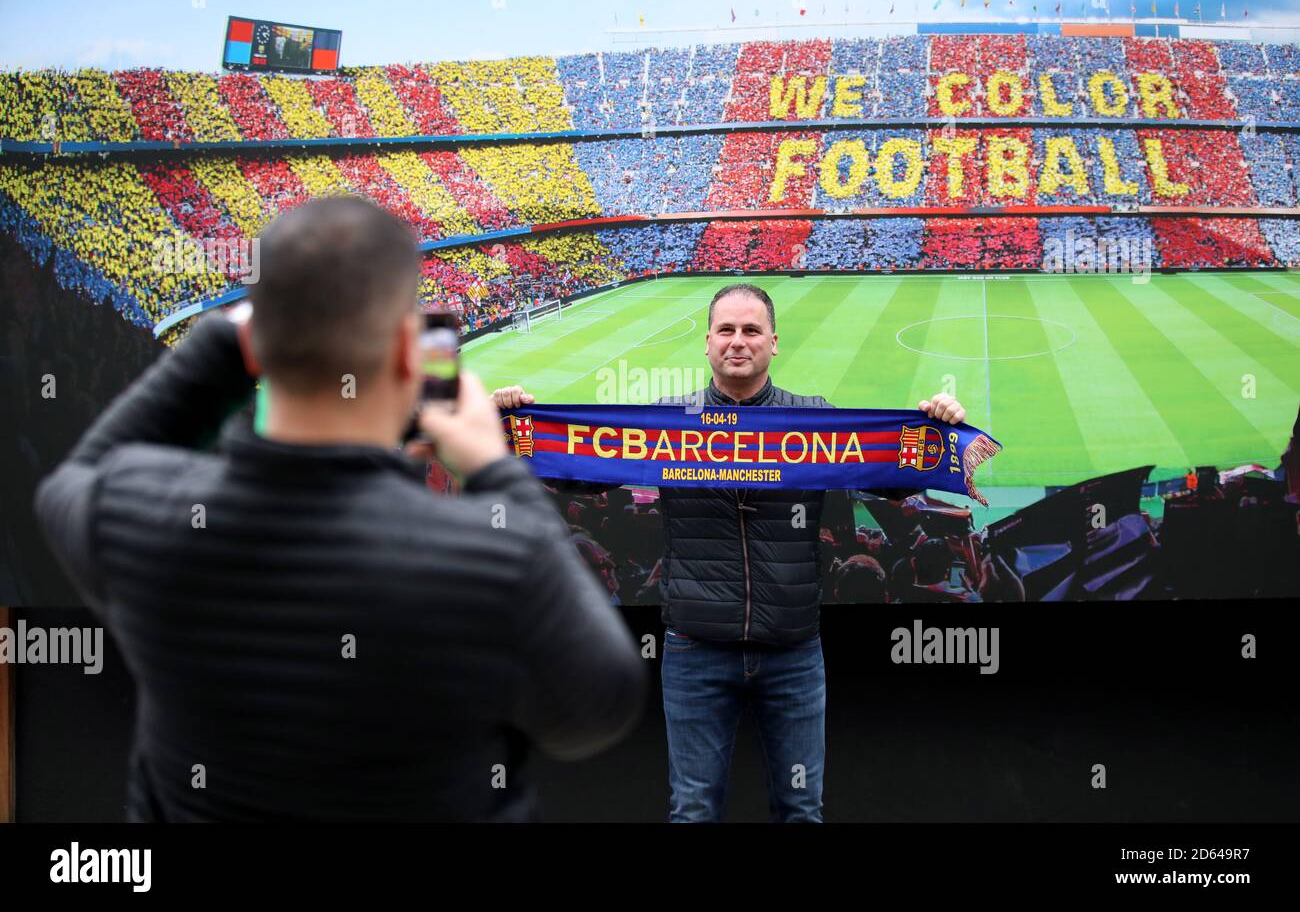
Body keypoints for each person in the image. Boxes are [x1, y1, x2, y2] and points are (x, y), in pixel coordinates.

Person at [33, 197, 646, 821]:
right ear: (412, 354)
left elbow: (70, 483)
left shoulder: (136, 513)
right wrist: (496, 469)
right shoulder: (495, 557)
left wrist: (220, 344)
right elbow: (601, 704)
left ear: (254, 344)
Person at [492, 282, 965, 822]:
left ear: (774, 342)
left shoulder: (815, 420)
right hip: (696, 648)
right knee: (693, 810)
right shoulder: (666, 421)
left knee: (801, 810)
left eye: (751, 331)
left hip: (793, 650)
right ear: (708, 342)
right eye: (726, 330)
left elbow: (895, 480)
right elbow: (579, 473)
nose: (738, 342)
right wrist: (516, 427)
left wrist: (936, 429)